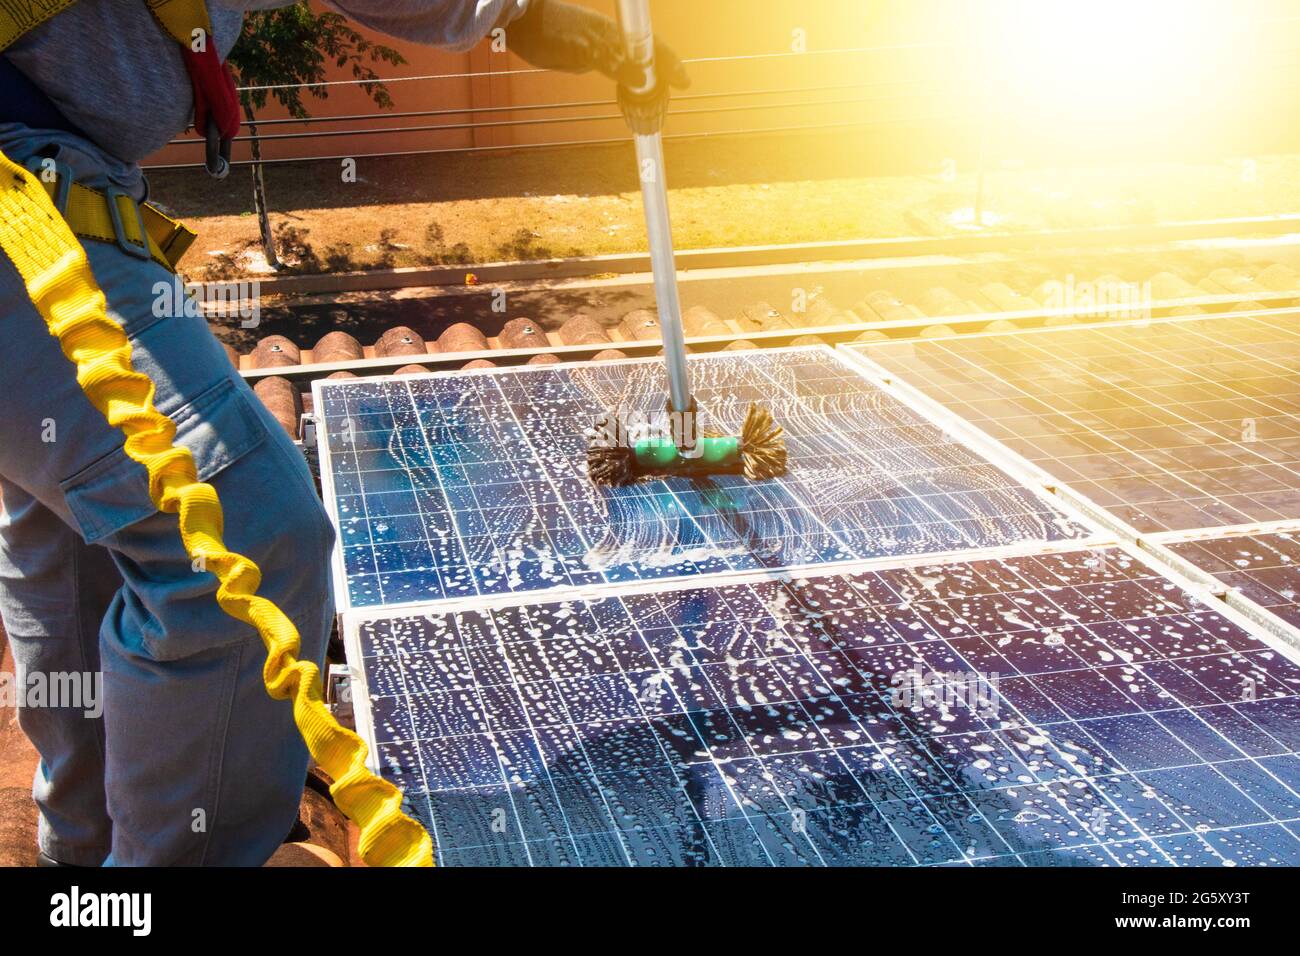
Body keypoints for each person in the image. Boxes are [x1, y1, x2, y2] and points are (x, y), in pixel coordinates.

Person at [0, 0, 686, 867]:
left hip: (57, 186)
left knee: (78, 532)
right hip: (22, 186)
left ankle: (91, 868)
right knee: (245, 530)